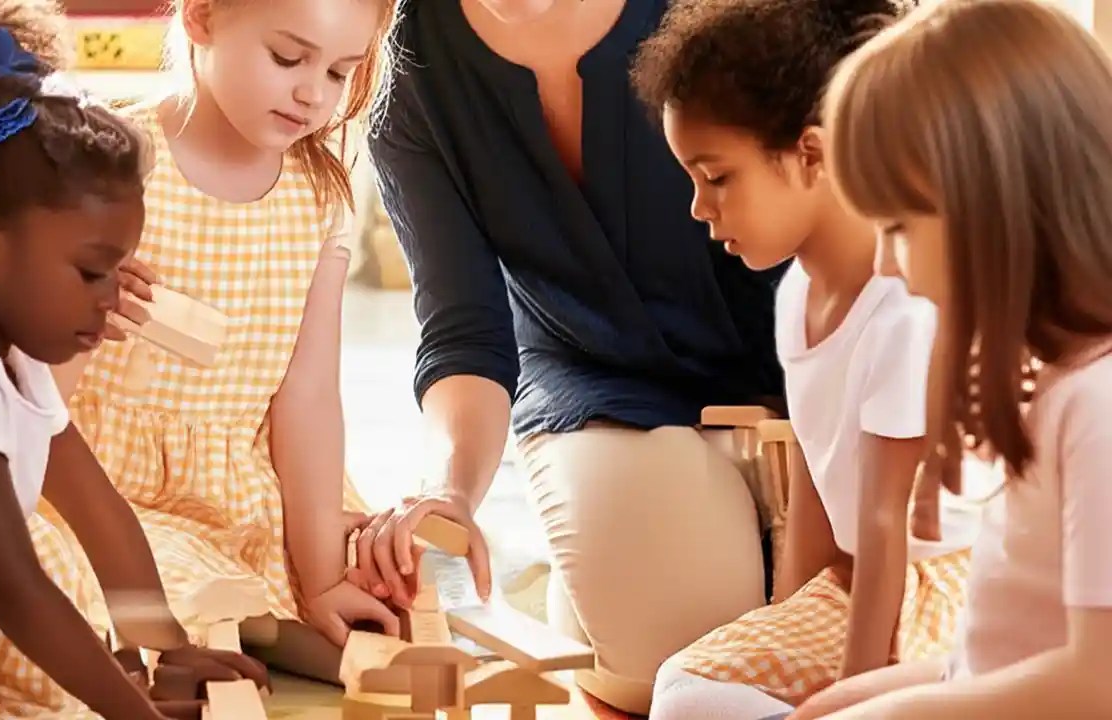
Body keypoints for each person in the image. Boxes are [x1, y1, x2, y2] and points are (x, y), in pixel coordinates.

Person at [0, 0, 267, 717]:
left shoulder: (14, 350)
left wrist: (168, 648)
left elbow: (101, 516)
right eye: (92, 272)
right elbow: (11, 584)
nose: (112, 298)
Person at [357, 0, 786, 711]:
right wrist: (451, 491)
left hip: (798, 356)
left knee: (830, 632)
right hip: (595, 376)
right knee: (687, 663)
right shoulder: (403, 63)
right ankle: (607, 560)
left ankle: (593, 573)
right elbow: (463, 325)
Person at [626, 2, 992, 717]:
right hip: (854, 581)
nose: (699, 207)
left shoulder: (901, 308)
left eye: (718, 177)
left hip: (935, 587)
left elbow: (886, 522)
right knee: (683, 686)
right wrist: (782, 624)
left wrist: (851, 694)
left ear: (812, 155)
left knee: (701, 698)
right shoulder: (797, 296)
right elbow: (820, 488)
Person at [50, 0, 402, 680]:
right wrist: (79, 304)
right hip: (105, 484)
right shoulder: (110, 160)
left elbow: (307, 397)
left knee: (378, 573)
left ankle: (258, 625)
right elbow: (34, 391)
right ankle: (229, 633)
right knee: (139, 582)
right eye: (287, 58)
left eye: (338, 72)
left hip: (242, 480)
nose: (313, 93)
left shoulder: (320, 196)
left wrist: (324, 575)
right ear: (203, 17)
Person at [790, 0, 1112, 717]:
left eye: (897, 226)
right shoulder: (1056, 380)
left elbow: (1099, 682)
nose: (884, 264)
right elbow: (1011, 644)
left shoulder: (1098, 404)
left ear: (997, 205)